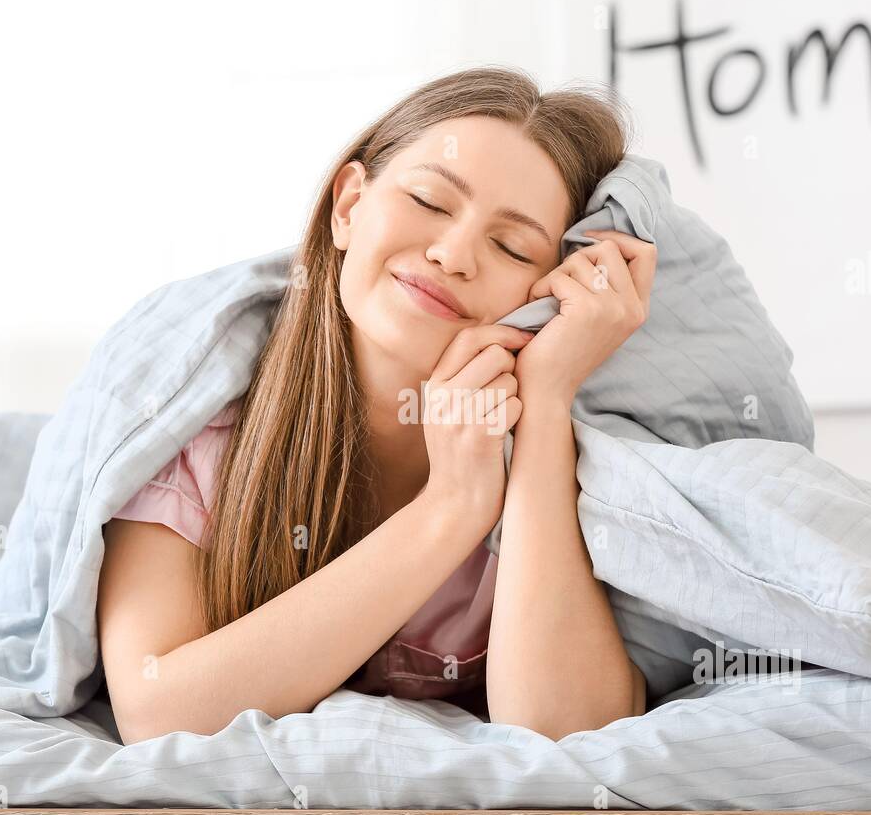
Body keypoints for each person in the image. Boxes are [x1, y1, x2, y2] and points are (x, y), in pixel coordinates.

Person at [96, 65, 656, 745]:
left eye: (511, 246)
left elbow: (567, 731)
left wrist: (547, 396)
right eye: (428, 200)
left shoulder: (565, 457)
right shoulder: (201, 421)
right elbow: (158, 716)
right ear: (348, 206)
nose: (452, 254)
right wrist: (452, 505)